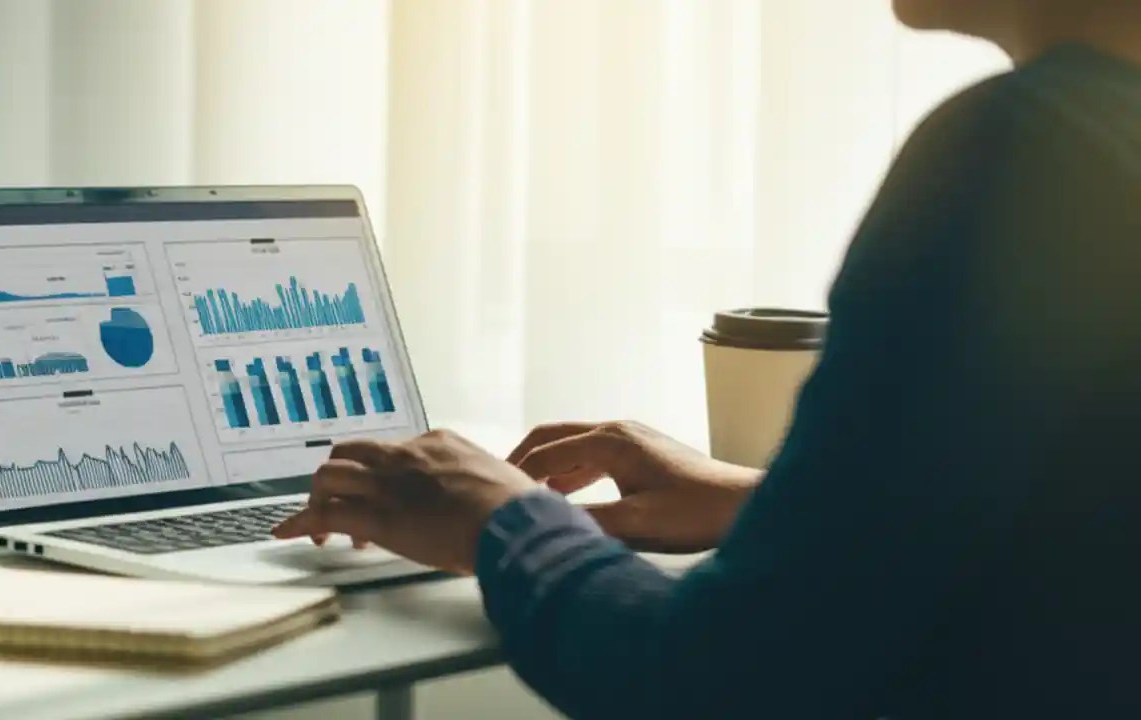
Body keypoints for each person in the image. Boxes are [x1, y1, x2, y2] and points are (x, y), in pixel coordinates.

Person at [276, 0, 1141, 716]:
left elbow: (718, 679)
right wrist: (766, 506)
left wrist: (499, 519)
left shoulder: (1034, 144)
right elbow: (1076, 542)